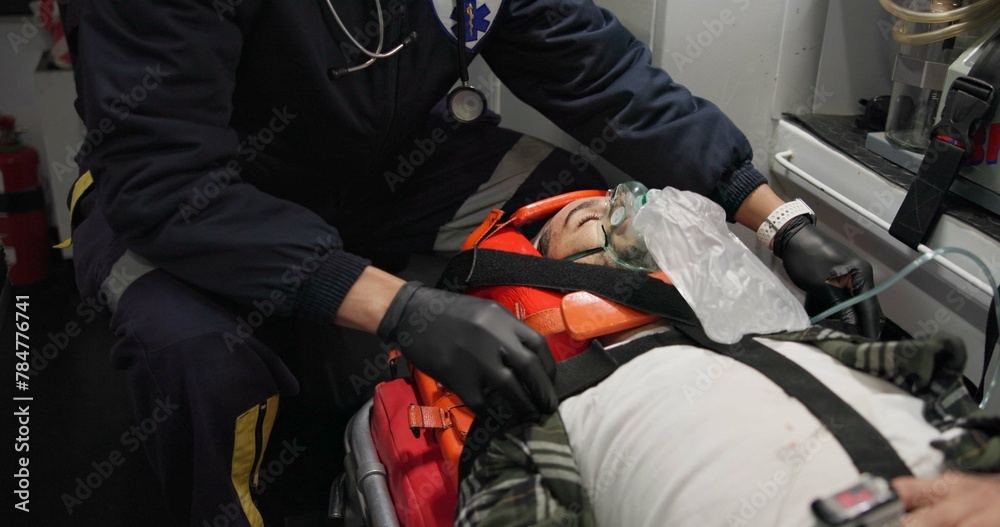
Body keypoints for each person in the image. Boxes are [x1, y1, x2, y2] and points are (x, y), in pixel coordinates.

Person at [61, 0, 882, 524]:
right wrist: (401, 309)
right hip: (191, 194)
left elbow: (601, 74)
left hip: (381, 168)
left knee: (569, 198)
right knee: (200, 358)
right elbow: (165, 179)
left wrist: (776, 217)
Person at [453, 188, 998, 527]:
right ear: (547, 280)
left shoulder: (804, 340)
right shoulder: (544, 424)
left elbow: (955, 406)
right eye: (587, 218)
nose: (622, 207)